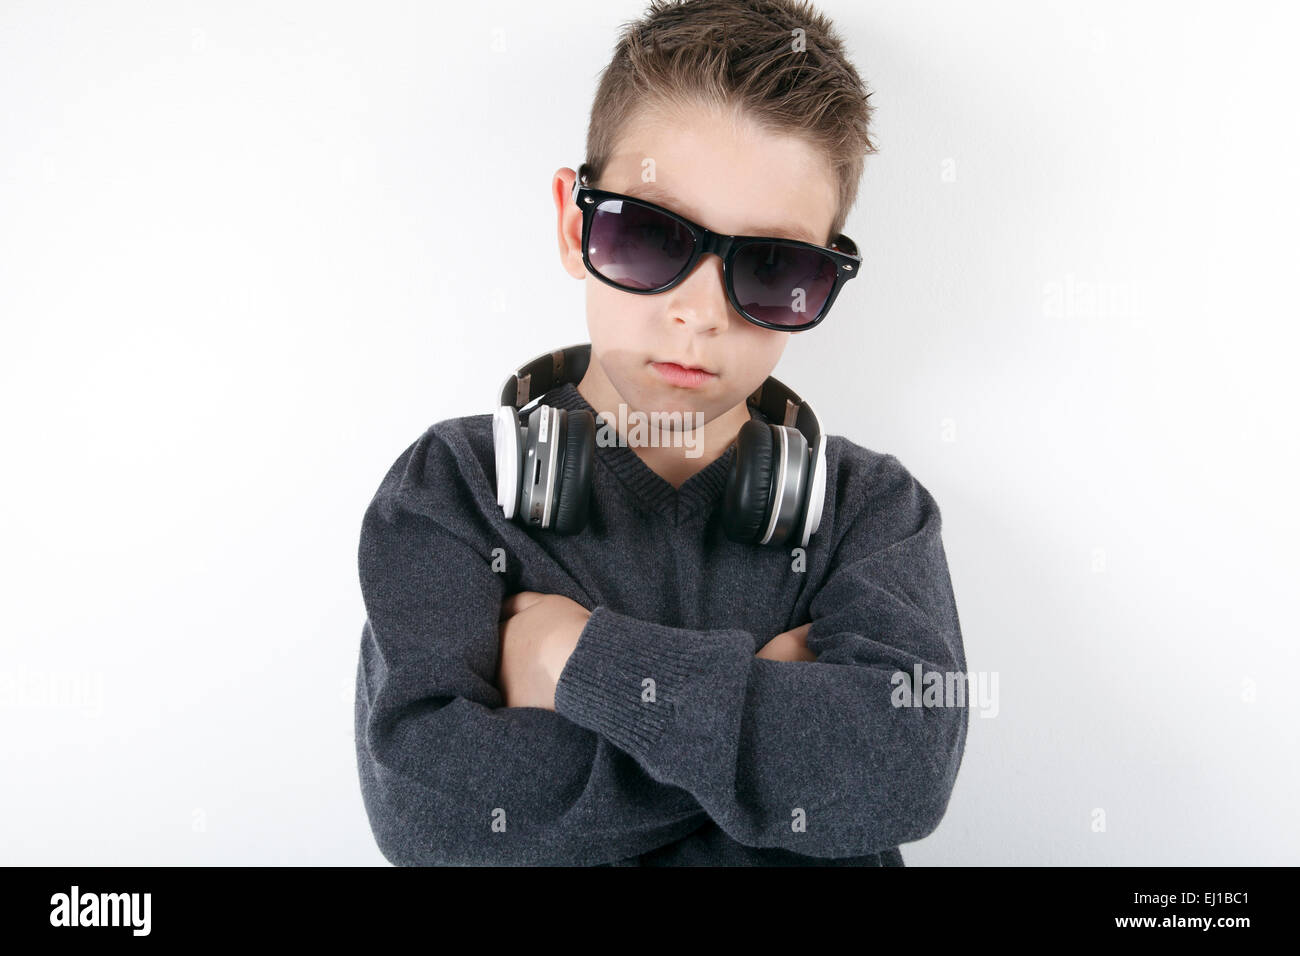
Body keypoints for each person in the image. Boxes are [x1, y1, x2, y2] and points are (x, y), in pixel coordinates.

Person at [354, 0, 968, 866]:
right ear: (576, 223)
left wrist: (577, 662)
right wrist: (770, 738)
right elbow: (433, 816)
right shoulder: (452, 487)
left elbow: (901, 774)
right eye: (649, 235)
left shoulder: (872, 510)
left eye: (772, 265)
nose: (700, 314)